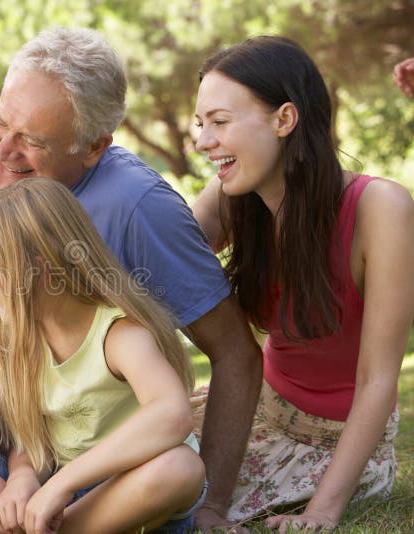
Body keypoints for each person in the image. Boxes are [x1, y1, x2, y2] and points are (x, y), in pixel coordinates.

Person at [0, 26, 262, 531]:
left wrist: (210, 504)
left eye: (32, 141)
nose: (2, 152)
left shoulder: (139, 209)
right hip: (14, 443)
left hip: (103, 466)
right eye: (0, 123)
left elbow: (234, 353)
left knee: (176, 470)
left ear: (94, 147)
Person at [192, 36, 414, 531]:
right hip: (258, 411)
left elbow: (379, 380)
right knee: (124, 458)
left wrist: (322, 512)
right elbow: (162, 259)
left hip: (333, 444)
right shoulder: (235, 193)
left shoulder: (382, 210)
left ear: (284, 120)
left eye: (220, 122)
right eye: (201, 123)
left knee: (175, 499)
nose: (203, 141)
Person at [0, 178, 205, 534]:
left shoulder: (119, 335)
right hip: (60, 496)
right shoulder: (17, 337)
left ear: (38, 269)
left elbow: (173, 415)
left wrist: (62, 483)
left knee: (182, 468)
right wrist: (23, 477)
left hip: (129, 493)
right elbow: (33, 437)